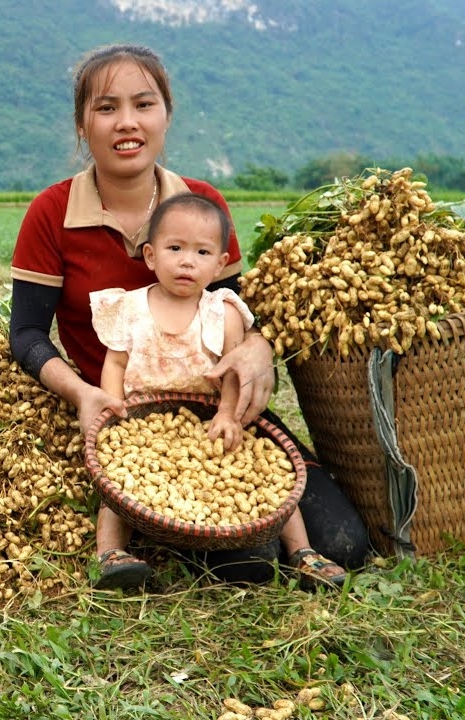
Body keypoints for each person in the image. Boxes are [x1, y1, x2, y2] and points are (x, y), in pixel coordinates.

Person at [8, 43, 369, 592]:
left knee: (347, 545)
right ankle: (138, 539)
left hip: (217, 415)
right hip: (128, 419)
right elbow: (27, 333)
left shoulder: (202, 206)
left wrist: (258, 346)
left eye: (143, 104)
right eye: (106, 108)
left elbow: (245, 311)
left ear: (166, 115)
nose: (126, 122)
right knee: (249, 564)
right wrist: (85, 396)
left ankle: (274, 542)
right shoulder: (53, 212)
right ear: (82, 125)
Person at [90, 192, 349, 590]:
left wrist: (229, 414)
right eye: (174, 248)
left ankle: (303, 552)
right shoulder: (130, 308)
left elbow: (233, 372)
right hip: (143, 426)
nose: (187, 261)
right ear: (151, 256)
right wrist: (113, 413)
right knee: (117, 486)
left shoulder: (222, 312)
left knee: (274, 483)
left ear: (220, 264)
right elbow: (116, 364)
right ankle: (111, 553)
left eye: (202, 252)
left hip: (210, 423)